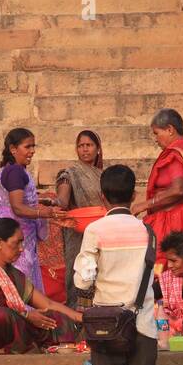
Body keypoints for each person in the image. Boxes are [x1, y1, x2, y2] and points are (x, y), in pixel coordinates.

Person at [73, 165, 159, 365]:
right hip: (145, 327)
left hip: (106, 331)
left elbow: (82, 281)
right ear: (134, 194)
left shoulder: (95, 231)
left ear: (101, 196)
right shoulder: (147, 231)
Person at [0, 217, 82, 354]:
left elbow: (48, 304)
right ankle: (23, 349)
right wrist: (26, 315)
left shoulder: (14, 274)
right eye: (17, 243)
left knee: (54, 317)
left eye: (22, 243)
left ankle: (57, 349)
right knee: (3, 315)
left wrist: (81, 317)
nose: (21, 249)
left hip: (15, 325)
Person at [0, 128, 63, 292]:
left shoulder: (8, 168)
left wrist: (40, 200)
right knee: (20, 280)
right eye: (27, 147)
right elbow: (17, 207)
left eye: (34, 146)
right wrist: (44, 213)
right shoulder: (15, 171)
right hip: (16, 232)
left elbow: (13, 198)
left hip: (5, 227)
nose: (32, 151)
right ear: (13, 149)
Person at [131, 108, 183, 265]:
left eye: (156, 133)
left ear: (170, 130)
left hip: (175, 221)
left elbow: (179, 189)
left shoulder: (174, 154)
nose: (156, 139)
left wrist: (145, 205)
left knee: (168, 268)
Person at [53, 130, 108, 311]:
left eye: (89, 145)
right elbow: (62, 197)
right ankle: (77, 330)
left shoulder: (104, 176)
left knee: (102, 280)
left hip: (103, 234)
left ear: (98, 149)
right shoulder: (69, 174)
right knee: (79, 279)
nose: (85, 150)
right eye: (81, 146)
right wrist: (55, 202)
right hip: (77, 235)